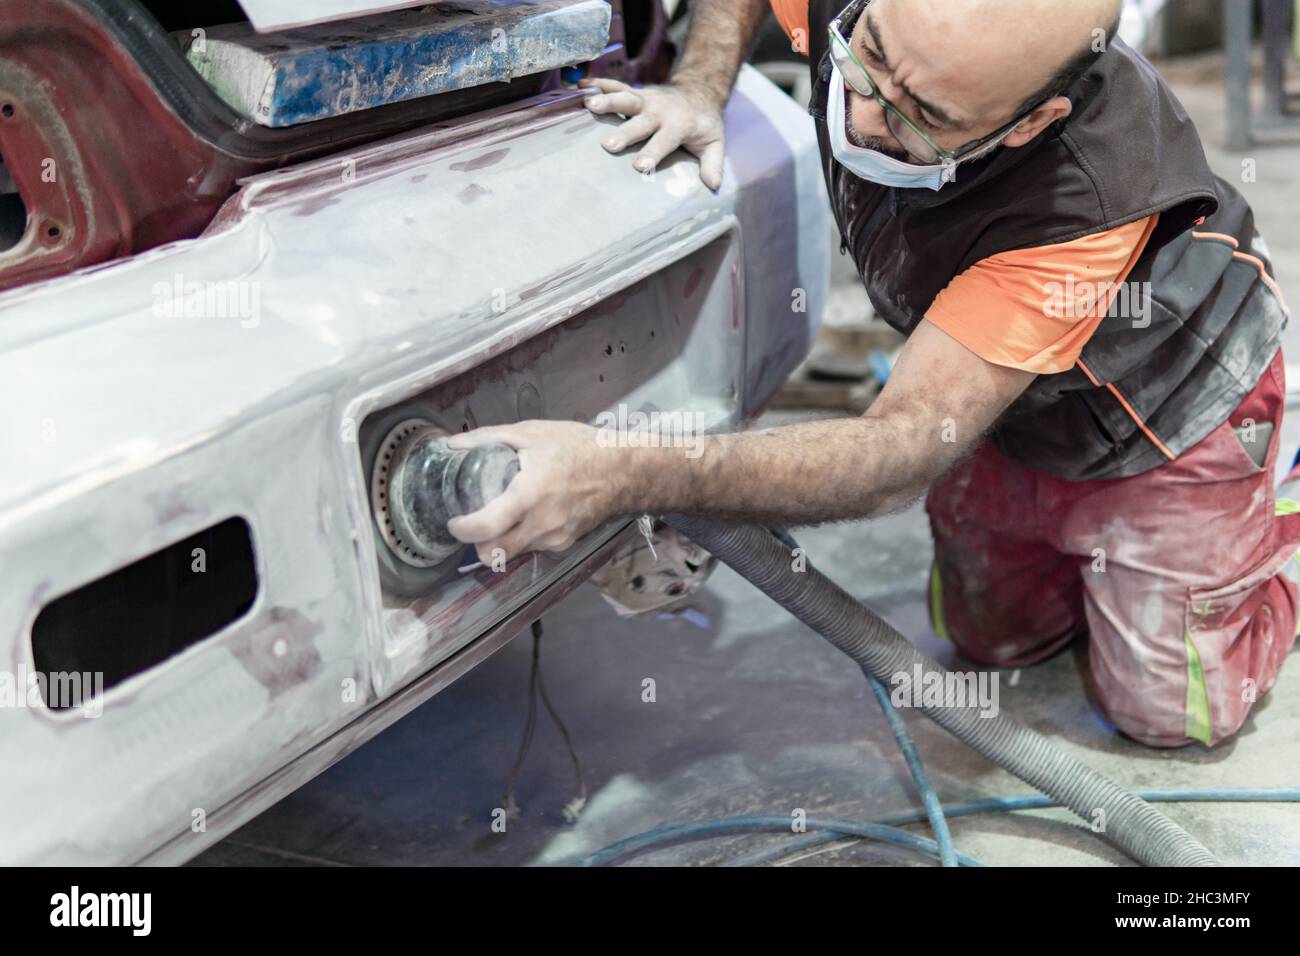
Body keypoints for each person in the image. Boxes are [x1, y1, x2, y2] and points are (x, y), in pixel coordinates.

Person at [447, 0, 1296, 748]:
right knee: (990, 641)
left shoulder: (1084, 201)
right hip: (1004, 407)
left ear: (1034, 122)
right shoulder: (886, 24)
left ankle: (1272, 515)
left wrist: (623, 472)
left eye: (924, 114)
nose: (862, 111)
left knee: (1168, 716)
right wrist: (701, 85)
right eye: (873, 53)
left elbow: (898, 449)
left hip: (1172, 413)